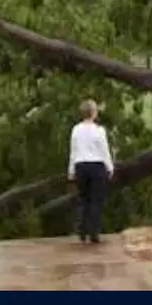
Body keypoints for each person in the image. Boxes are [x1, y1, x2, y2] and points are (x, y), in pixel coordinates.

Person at [67, 98, 114, 244]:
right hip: (96, 166)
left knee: (83, 199)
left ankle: (82, 230)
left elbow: (73, 151)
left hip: (81, 165)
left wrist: (71, 169)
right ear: (93, 113)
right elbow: (104, 150)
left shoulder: (76, 130)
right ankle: (94, 232)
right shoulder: (99, 130)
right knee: (96, 200)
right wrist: (110, 166)